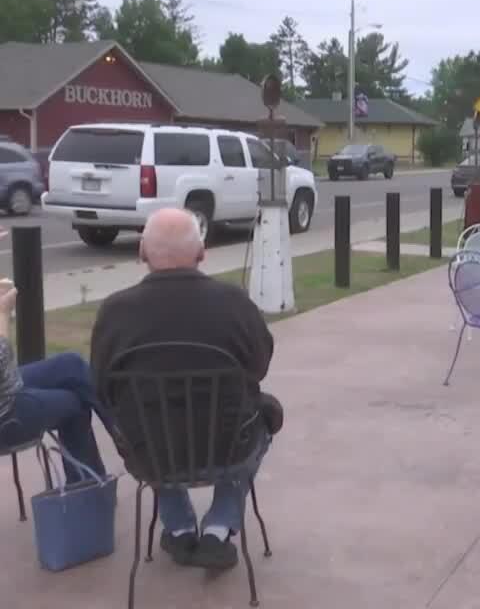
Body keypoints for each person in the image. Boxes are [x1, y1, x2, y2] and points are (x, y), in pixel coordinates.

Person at [91, 208, 281, 571]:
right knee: (265, 414)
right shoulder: (234, 303)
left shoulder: (114, 312)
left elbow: (101, 388)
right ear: (202, 252)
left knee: (145, 428)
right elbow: (259, 367)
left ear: (143, 252)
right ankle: (219, 528)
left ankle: (178, 528)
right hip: (228, 447)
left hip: (150, 452)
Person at [0, 273, 107, 485]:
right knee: (75, 402)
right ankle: (87, 490)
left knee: (71, 365)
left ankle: (124, 439)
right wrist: (2, 313)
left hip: (7, 389)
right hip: (6, 413)